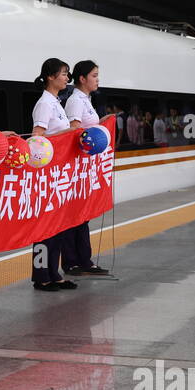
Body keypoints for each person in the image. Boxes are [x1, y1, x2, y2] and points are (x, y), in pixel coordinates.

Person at [31, 58, 81, 292]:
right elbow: (37, 138)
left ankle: (54, 273)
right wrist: (68, 134)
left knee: (58, 226)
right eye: (63, 74)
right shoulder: (45, 104)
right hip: (47, 175)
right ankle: (41, 275)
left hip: (59, 174)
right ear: (50, 77)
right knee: (44, 228)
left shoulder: (56, 103)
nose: (67, 78)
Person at [63, 60, 111, 275]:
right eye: (94, 75)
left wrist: (103, 123)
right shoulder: (75, 101)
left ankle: (84, 259)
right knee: (74, 215)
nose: (97, 79)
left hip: (85, 166)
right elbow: (73, 133)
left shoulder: (86, 100)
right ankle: (72, 261)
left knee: (83, 214)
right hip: (75, 167)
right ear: (82, 79)